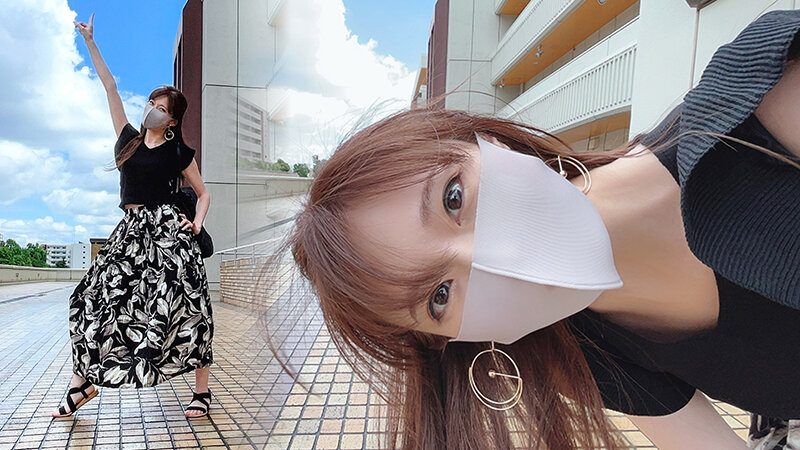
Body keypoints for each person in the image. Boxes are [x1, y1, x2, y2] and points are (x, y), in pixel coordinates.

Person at [278, 10, 800, 449]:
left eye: (453, 197)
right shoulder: (586, 347)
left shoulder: (761, 104)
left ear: (490, 141)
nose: (489, 258)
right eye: (440, 297)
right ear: (457, 339)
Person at [53, 14, 214, 419]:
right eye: (152, 104)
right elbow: (110, 86)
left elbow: (203, 193)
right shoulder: (128, 140)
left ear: (172, 120)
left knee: (189, 305)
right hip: (130, 231)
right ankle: (82, 383)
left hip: (167, 234)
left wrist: (196, 223)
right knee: (90, 298)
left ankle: (202, 392)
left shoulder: (179, 153)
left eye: (162, 109)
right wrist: (91, 42)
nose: (153, 111)